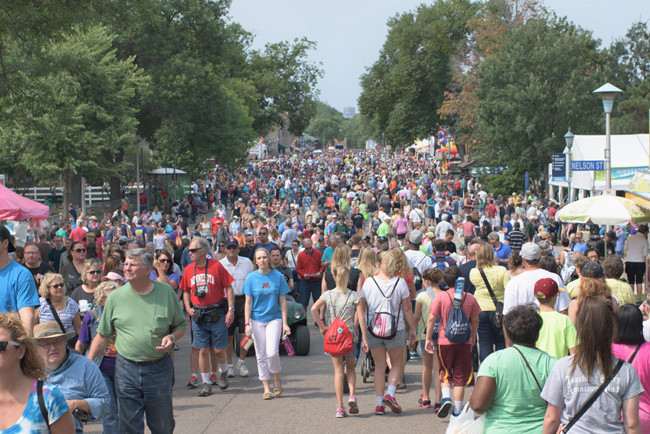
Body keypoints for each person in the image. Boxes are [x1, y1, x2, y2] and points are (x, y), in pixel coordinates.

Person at [87, 248, 186, 434]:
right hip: (126, 369)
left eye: (133, 264)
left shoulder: (165, 292)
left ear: (148, 269)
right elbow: (102, 335)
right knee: (129, 427)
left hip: (159, 369)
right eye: (126, 264)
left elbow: (181, 326)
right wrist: (88, 364)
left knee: (162, 426)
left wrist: (172, 337)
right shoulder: (115, 297)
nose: (127, 268)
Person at [542, 296, 643, 434]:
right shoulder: (626, 371)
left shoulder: (563, 367)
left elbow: (551, 418)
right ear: (611, 329)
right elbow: (631, 424)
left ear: (579, 328)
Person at [470, 304, 556, 433]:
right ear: (537, 335)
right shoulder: (551, 363)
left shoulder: (493, 362)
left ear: (508, 334)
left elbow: (478, 405)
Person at [358, 251, 417, 415]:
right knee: (397, 364)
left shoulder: (368, 283)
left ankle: (379, 404)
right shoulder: (400, 283)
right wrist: (413, 329)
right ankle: (390, 394)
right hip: (395, 329)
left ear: (378, 265)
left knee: (379, 366)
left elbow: (362, 309)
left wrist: (362, 335)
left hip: (374, 330)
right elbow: (407, 308)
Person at [0, 313, 74, 432]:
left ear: (20, 351)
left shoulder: (49, 398)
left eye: (0, 346)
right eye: (46, 343)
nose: (53, 347)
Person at [180, 237, 235, 396]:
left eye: (193, 250)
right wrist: (188, 307)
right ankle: (206, 383)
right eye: (189, 250)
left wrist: (230, 309)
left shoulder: (216, 267)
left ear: (203, 251)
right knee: (202, 349)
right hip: (198, 314)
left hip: (216, 313)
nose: (189, 253)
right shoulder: (189, 269)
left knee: (218, 350)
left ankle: (223, 371)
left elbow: (229, 288)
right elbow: (185, 290)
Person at [425, 267, 481, 419]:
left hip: (445, 340)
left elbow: (431, 318)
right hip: (465, 341)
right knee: (460, 376)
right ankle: (457, 411)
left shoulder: (441, 297)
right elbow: (475, 319)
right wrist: (473, 335)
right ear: (461, 280)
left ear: (445, 281)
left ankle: (446, 398)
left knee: (445, 372)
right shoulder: (469, 297)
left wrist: (428, 338)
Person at [35, 321, 110, 432]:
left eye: (57, 342)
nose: (52, 348)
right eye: (46, 344)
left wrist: (76, 404)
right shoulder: (27, 370)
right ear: (36, 349)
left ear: (65, 343)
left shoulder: (86, 366)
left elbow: (104, 402)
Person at [311, 265, 362, 418]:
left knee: (338, 371)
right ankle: (352, 396)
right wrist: (358, 330)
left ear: (334, 277)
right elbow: (359, 316)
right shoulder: (354, 296)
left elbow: (314, 309)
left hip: (333, 337)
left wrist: (322, 327)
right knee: (351, 368)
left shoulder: (328, 295)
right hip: (349, 336)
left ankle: (340, 407)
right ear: (348, 278)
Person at [243, 248, 291, 400]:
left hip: (274, 318)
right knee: (261, 354)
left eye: (264, 257)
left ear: (268, 259)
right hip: (256, 320)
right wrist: (246, 323)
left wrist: (285, 323)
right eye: (259, 258)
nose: (262, 260)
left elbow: (283, 302)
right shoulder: (250, 278)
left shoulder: (278, 276)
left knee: (272, 352)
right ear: (255, 261)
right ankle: (266, 387)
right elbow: (248, 303)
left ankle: (276, 378)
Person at [75, 280, 120, 434]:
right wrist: (80, 366)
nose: (116, 300)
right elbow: (81, 343)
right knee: (109, 412)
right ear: (101, 300)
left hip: (124, 367)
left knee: (127, 410)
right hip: (101, 369)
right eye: (111, 297)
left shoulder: (125, 314)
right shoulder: (92, 315)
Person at [611, 304, 650, 432]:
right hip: (643, 419)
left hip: (612, 418)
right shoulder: (648, 350)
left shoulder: (608, 350)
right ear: (640, 324)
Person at [220, 238, 254, 378]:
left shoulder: (246, 262)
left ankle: (241, 361)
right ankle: (229, 365)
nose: (232, 250)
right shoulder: (220, 264)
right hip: (227, 302)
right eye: (229, 247)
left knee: (247, 334)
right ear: (225, 249)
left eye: (234, 247)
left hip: (244, 300)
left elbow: (252, 280)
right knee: (228, 335)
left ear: (238, 249)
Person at [469, 243, 510, 362]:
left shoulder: (474, 272)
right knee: (500, 342)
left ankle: (487, 371)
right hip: (498, 309)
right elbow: (507, 289)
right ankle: (501, 369)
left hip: (480, 309)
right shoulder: (502, 271)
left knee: (484, 341)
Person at [503, 243, 569, 314]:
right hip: (551, 324)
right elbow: (563, 309)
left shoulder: (513, 283)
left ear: (523, 260)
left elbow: (508, 315)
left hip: (523, 324)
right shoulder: (555, 278)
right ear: (540, 257)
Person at [0, 224, 39, 335]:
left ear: (5, 243)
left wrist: (24, 348)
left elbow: (27, 322)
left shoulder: (21, 275)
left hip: (7, 346)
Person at [413, 268, 443, 412]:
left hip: (425, 335)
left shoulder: (422, 297)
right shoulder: (445, 295)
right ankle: (439, 400)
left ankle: (425, 397)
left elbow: (416, 316)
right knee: (438, 369)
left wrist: (412, 333)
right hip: (441, 336)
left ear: (427, 281)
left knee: (427, 367)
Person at [534, 278, 577, 359]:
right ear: (554, 296)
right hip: (558, 368)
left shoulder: (531, 319)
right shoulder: (565, 320)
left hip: (535, 369)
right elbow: (574, 352)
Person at [36, 273, 81, 338]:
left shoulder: (71, 304)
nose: (59, 287)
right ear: (47, 288)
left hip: (67, 345)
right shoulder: (40, 304)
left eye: (61, 285)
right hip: (45, 343)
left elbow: (79, 329)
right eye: (55, 286)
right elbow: (33, 328)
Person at [296, 239, 324, 308]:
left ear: (312, 246)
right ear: (304, 247)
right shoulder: (300, 255)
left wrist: (320, 272)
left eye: (310, 248)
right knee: (303, 304)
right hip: (305, 282)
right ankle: (304, 318)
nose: (308, 250)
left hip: (316, 281)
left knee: (318, 304)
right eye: (306, 248)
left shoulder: (318, 253)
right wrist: (303, 274)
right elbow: (298, 268)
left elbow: (322, 266)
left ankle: (319, 318)